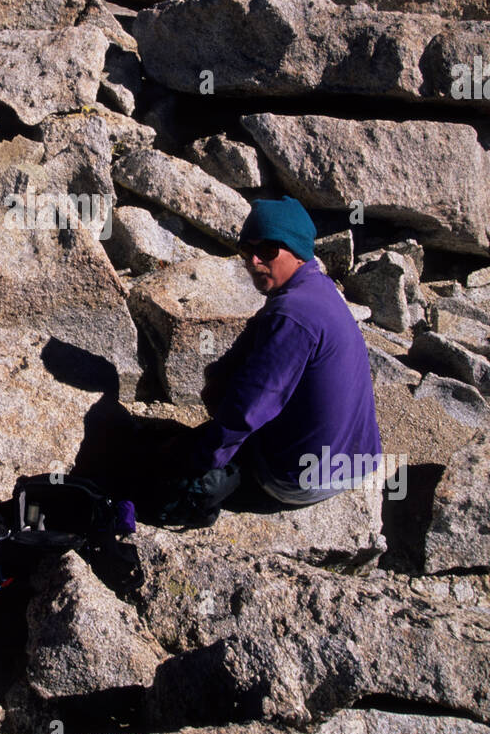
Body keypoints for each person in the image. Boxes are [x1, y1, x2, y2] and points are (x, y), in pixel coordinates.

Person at [162, 196, 383, 525]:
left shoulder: (292, 314)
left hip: (300, 481)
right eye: (245, 251)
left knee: (168, 456)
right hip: (359, 461)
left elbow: (247, 408)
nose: (253, 261)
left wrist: (199, 460)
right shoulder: (319, 290)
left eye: (267, 251)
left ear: (297, 250)